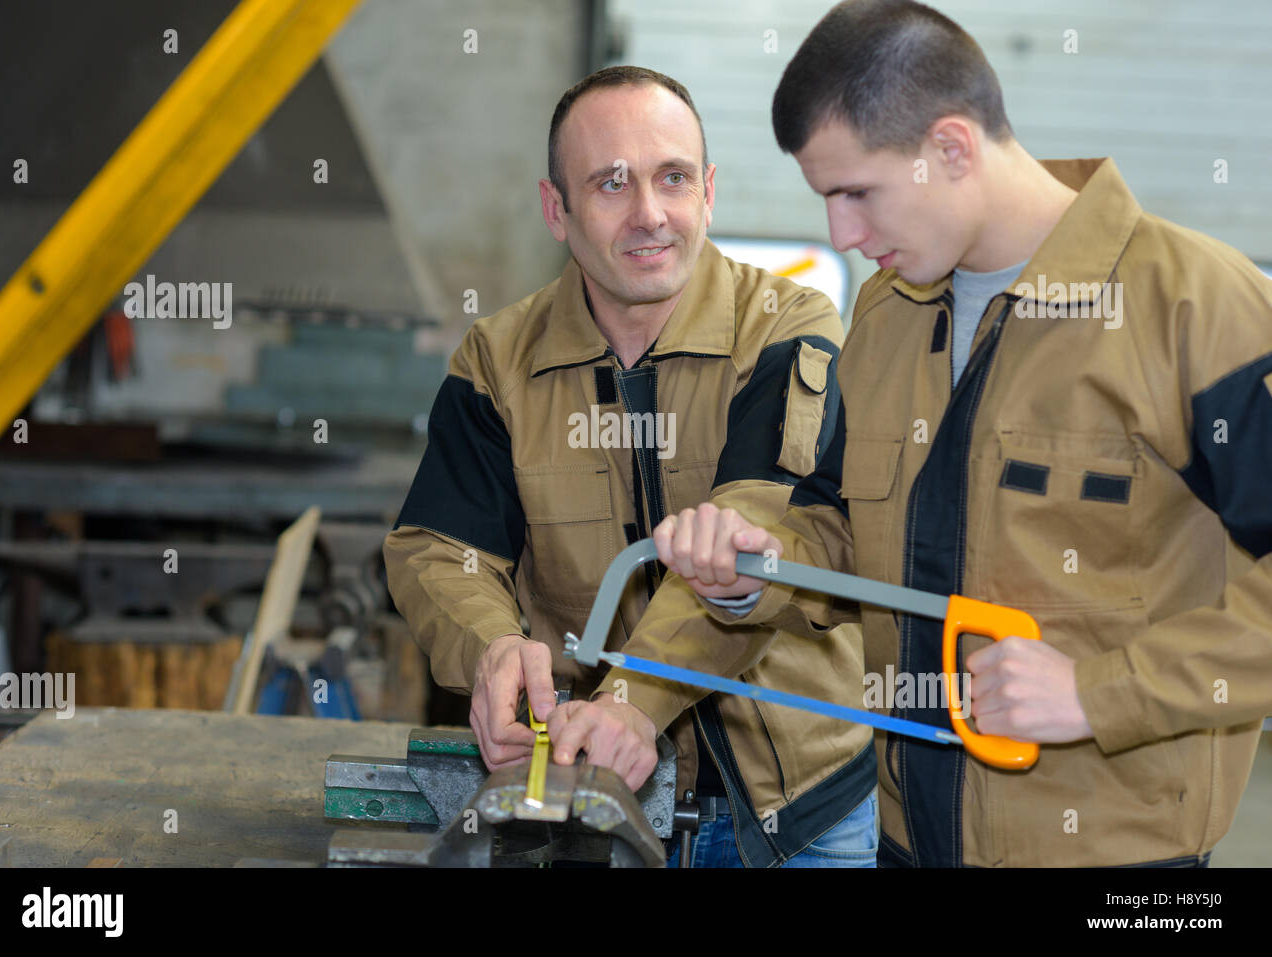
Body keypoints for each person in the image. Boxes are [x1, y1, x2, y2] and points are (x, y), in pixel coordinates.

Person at [569, 0, 1272, 867]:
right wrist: (754, 567)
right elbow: (835, 526)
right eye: (827, 199)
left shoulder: (1195, 308)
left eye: (857, 193)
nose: (841, 235)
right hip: (904, 841)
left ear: (951, 147)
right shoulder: (887, 312)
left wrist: (1099, 693)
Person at [383, 66, 878, 867]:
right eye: (611, 183)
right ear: (557, 210)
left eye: (672, 178)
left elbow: (759, 526)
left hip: (801, 819)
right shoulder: (497, 361)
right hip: (587, 812)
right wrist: (491, 647)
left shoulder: (789, 324)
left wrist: (633, 698)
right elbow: (439, 548)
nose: (651, 214)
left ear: (708, 190)